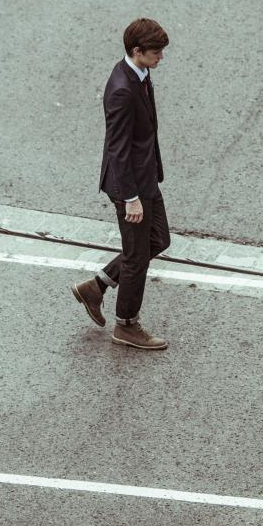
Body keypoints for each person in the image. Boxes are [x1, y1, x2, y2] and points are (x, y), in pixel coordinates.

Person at [72, 18, 171, 350]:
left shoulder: (140, 75)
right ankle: (126, 325)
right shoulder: (122, 90)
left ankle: (96, 286)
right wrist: (130, 197)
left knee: (157, 239)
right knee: (136, 257)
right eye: (156, 52)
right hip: (130, 187)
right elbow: (117, 147)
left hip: (145, 178)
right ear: (137, 51)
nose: (161, 57)